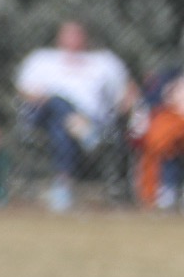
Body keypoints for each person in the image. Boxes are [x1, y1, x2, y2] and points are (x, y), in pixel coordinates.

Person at [15, 21, 135, 212]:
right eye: (68, 34)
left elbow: (127, 90)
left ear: (86, 37)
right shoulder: (42, 59)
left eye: (77, 34)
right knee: (56, 102)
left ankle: (63, 185)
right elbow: (24, 91)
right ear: (59, 37)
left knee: (61, 126)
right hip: (43, 114)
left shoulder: (104, 61)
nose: (73, 39)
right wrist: (46, 99)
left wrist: (130, 110)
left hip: (92, 120)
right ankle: (86, 133)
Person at [131, 63, 184, 210]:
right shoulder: (171, 75)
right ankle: (166, 189)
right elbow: (150, 103)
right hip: (173, 122)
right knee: (162, 139)